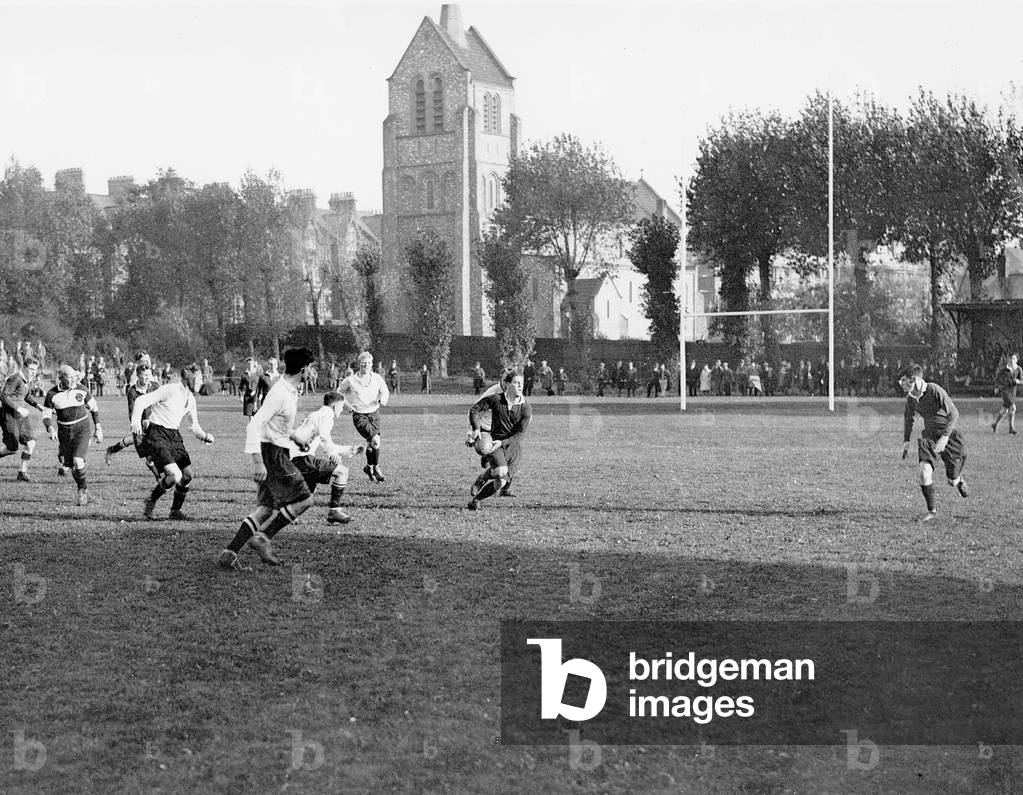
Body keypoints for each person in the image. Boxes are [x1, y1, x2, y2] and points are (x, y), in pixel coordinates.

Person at [218, 347, 322, 569]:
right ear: (303, 370)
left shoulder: (289, 389)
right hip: (273, 454)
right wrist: (258, 462)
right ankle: (263, 538)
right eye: (311, 369)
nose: (312, 373)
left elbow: (277, 425)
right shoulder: (280, 393)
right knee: (305, 499)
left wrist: (295, 438)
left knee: (266, 508)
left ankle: (230, 552)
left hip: (275, 449)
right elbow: (255, 424)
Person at [130, 367, 215, 520]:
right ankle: (151, 501)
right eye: (198, 379)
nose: (200, 382)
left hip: (174, 435)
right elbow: (140, 400)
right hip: (157, 434)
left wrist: (204, 436)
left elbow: (194, 425)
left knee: (187, 476)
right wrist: (135, 422)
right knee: (175, 475)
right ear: (188, 379)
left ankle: (174, 511)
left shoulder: (191, 399)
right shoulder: (170, 389)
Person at [899, 363, 968, 522]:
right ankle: (931, 511)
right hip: (929, 437)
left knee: (951, 480)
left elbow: (954, 413)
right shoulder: (911, 399)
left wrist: (944, 437)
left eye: (904, 380)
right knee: (924, 472)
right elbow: (908, 419)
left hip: (949, 436)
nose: (901, 384)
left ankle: (958, 480)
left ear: (915, 380)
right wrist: (906, 441)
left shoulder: (934, 389)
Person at [466, 370, 531, 510]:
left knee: (500, 482)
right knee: (501, 472)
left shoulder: (526, 408)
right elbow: (474, 409)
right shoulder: (496, 399)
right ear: (507, 384)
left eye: (522, 383)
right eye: (516, 383)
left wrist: (503, 443)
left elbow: (519, 435)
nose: (520, 386)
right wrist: (475, 429)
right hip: (496, 442)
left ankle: (476, 498)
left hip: (513, 447)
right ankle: (480, 488)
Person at [42, 365, 102, 505]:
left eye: (74, 377)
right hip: (64, 432)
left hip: (82, 428)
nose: (73, 380)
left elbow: (94, 408)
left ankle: (82, 491)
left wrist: (98, 428)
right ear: (61, 378)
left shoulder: (81, 389)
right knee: (70, 464)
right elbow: (46, 415)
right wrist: (50, 428)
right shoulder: (52, 394)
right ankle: (84, 489)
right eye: (69, 378)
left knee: (78, 461)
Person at [104, 352, 163, 480]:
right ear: (139, 362)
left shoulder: (150, 375)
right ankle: (159, 476)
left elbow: (157, 392)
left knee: (143, 443)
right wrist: (140, 420)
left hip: (153, 417)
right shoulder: (134, 380)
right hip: (141, 417)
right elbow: (134, 408)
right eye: (144, 360)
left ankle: (112, 449)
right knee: (144, 445)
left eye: (148, 360)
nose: (147, 362)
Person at [338, 351, 390, 482]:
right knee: (376, 440)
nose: (365, 366)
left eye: (367, 363)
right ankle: (376, 468)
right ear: (359, 364)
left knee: (371, 444)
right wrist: (347, 406)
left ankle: (368, 467)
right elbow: (338, 394)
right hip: (359, 415)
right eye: (362, 363)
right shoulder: (351, 380)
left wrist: (382, 400)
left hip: (374, 414)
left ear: (371, 364)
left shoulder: (377, 378)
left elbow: (385, 392)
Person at [0, 356, 43, 480]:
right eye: (31, 369)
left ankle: (22, 473)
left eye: (35, 370)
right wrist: (18, 408)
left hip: (21, 416)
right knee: (12, 448)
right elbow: (3, 395)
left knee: (31, 443)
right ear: (24, 367)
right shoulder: (16, 378)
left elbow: (25, 395)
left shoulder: (27, 379)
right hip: (9, 416)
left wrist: (37, 405)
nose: (33, 372)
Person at [991, 353, 1023, 434]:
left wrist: (1018, 381)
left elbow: (1021, 380)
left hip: (1013, 391)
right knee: (1013, 407)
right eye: (1011, 358)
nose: (1012, 360)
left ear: (1017, 360)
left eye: (1014, 358)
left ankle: (995, 424)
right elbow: (997, 378)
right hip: (1005, 390)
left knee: (1005, 409)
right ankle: (1011, 428)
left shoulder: (1018, 369)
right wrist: (996, 387)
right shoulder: (1004, 369)